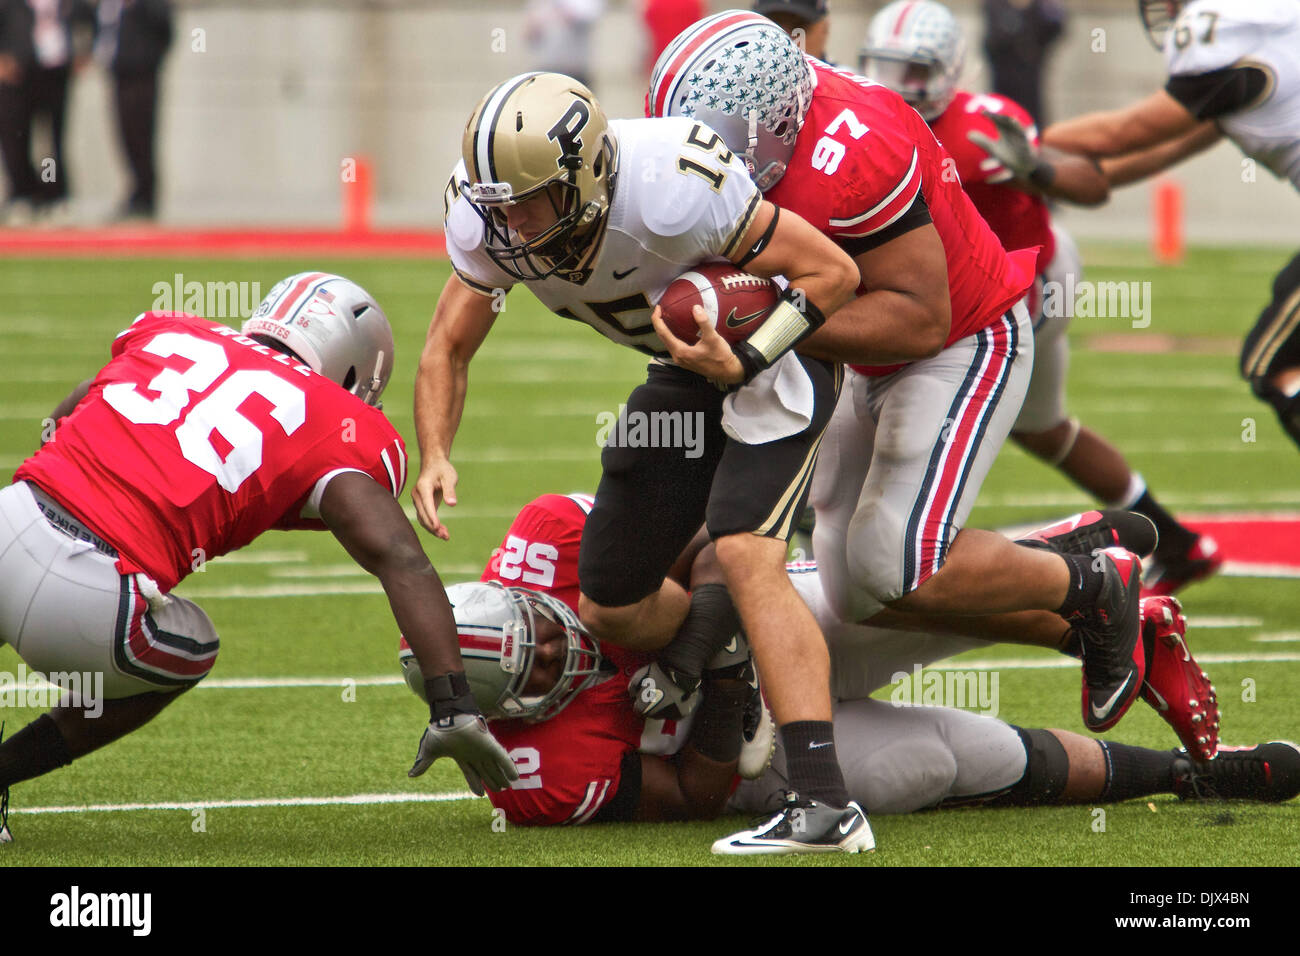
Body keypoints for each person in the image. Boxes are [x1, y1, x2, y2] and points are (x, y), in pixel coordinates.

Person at [649, 12, 1150, 752]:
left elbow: (919, 319)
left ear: (777, 119)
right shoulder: (755, 122)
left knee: (893, 561)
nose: (709, 156)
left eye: (725, 136)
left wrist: (766, 329)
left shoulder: (855, 152)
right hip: (863, 349)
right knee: (858, 592)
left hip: (960, 337)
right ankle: (1064, 574)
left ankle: (1096, 584)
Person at [414, 71, 868, 853]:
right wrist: (436, 455)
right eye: (501, 207)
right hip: (683, 368)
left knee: (745, 551)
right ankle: (727, 663)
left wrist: (749, 354)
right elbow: (447, 345)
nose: (513, 226)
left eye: (531, 203)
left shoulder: (675, 187)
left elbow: (835, 274)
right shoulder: (486, 217)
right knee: (612, 598)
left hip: (776, 362)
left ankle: (827, 806)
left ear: (587, 175)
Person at [398, 493, 1296, 831]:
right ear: (512, 708)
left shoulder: (549, 536)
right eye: (544, 665)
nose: (563, 646)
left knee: (879, 592)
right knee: (946, 762)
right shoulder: (532, 777)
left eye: (542, 626)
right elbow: (696, 798)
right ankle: (1187, 775)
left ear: (515, 592)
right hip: (746, 748)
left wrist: (708, 642)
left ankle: (1078, 582)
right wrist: (721, 686)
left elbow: (717, 537)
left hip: (762, 615)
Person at [0, 272, 518, 843]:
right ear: (354, 369)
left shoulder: (174, 331)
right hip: (88, 603)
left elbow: (66, 415)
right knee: (194, 645)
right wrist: (453, 703)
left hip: (13, 513)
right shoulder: (334, 420)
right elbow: (400, 558)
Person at [857, 0, 1222, 597]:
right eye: (885, 67)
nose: (899, 86)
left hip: (1030, 287)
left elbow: (1092, 184)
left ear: (951, 69)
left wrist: (1036, 171)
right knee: (1044, 430)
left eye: (915, 71)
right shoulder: (867, 120)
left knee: (909, 398)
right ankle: (1178, 542)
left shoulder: (979, 129)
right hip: (974, 292)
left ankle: (876, 542)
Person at [1040, 0, 1300, 592]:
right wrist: (1050, 171)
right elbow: (1146, 152)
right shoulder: (1251, 55)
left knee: (1274, 363)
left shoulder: (1223, 26)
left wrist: (1017, 138)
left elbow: (1123, 131)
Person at [0, 0, 93, 222]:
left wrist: (82, 52)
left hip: (54, 73)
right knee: (15, 138)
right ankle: (22, 194)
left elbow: (88, 24)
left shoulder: (69, 5)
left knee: (50, 143)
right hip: (18, 76)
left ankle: (53, 194)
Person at [94, 0, 173, 220]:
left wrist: (149, 60)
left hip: (142, 76)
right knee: (125, 136)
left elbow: (166, 31)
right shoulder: (109, 5)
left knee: (142, 137)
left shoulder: (151, 5)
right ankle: (135, 192)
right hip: (118, 74)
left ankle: (146, 197)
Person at [981, 0, 1066, 128]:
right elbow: (993, 42)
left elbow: (1056, 25)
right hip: (1003, 88)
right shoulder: (996, 5)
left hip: (1030, 88)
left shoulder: (1041, 8)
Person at [752, 0, 831, 62]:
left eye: (799, 26)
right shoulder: (741, 80)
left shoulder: (840, 81)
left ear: (824, 28)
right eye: (771, 27)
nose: (784, 41)